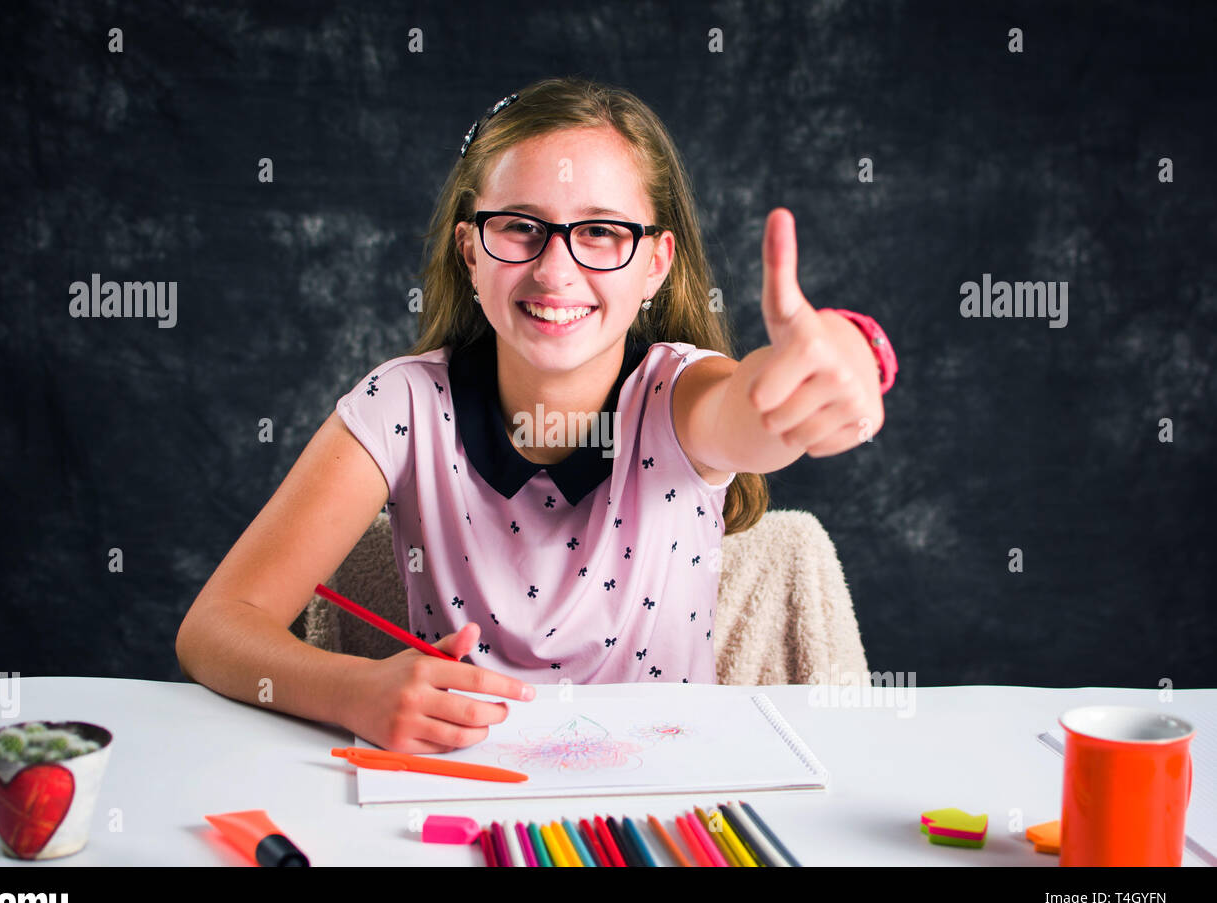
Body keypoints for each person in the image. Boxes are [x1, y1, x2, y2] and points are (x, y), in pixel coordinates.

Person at [176, 77, 897, 753]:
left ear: (655, 264)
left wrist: (846, 355)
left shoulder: (679, 396)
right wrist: (355, 691)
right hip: (464, 785)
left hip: (663, 787)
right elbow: (214, 627)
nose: (556, 271)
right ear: (469, 250)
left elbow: (755, 408)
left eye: (602, 232)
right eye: (521, 227)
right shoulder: (403, 404)